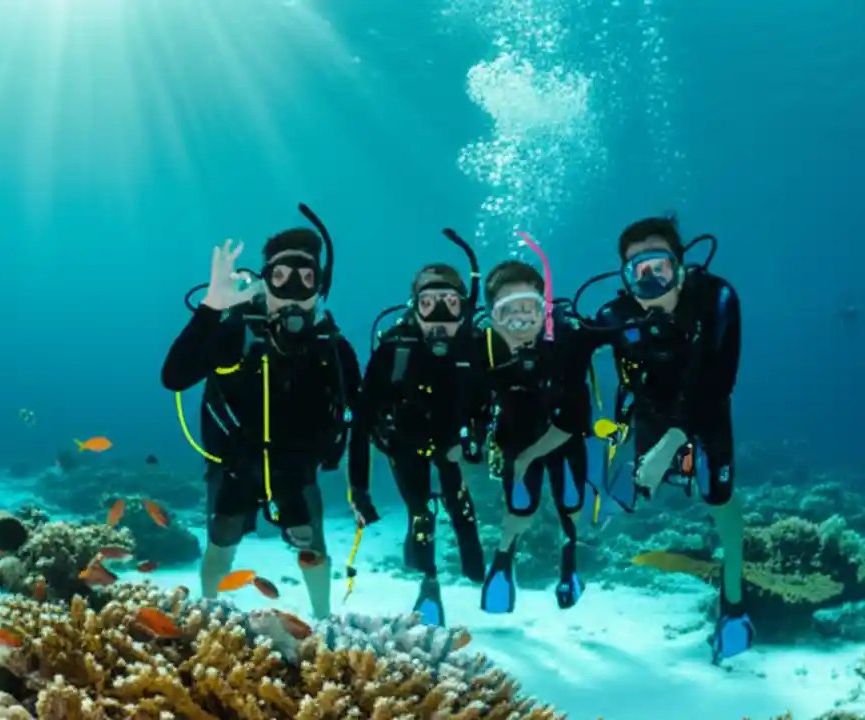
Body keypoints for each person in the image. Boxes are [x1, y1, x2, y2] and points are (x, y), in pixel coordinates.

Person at [161, 208, 373, 619]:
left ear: (320, 287)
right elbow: (173, 377)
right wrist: (210, 308)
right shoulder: (235, 331)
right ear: (263, 280)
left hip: (298, 471)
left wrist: (359, 488)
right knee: (221, 540)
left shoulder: (331, 347)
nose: (292, 288)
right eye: (280, 276)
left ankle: (323, 623)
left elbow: (361, 416)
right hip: (234, 464)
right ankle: (208, 613)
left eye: (305, 277)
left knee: (313, 547)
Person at [591, 215, 749, 664]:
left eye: (658, 266)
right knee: (639, 485)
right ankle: (638, 476)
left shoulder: (717, 299)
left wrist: (673, 442)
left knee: (720, 498)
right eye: (637, 270)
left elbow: (721, 380)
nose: (650, 279)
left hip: (706, 405)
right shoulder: (614, 317)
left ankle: (734, 607)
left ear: (680, 266)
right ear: (624, 276)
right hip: (651, 411)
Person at [355, 241, 487, 626]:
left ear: (465, 305)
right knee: (419, 513)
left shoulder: (478, 346)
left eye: (450, 303)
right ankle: (428, 581)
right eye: (429, 304)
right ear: (414, 307)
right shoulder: (395, 347)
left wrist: (475, 443)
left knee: (461, 506)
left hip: (453, 444)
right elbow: (362, 419)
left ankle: (474, 565)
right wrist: (358, 489)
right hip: (405, 443)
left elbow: (491, 403)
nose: (441, 317)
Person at [473, 259, 595, 615]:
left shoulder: (567, 340)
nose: (521, 318)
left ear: (546, 307)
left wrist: (527, 458)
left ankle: (569, 563)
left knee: (569, 504)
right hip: (515, 441)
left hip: (564, 441)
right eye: (508, 310)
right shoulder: (484, 349)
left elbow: (576, 417)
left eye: (530, 306)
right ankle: (502, 562)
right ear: (492, 316)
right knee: (520, 509)